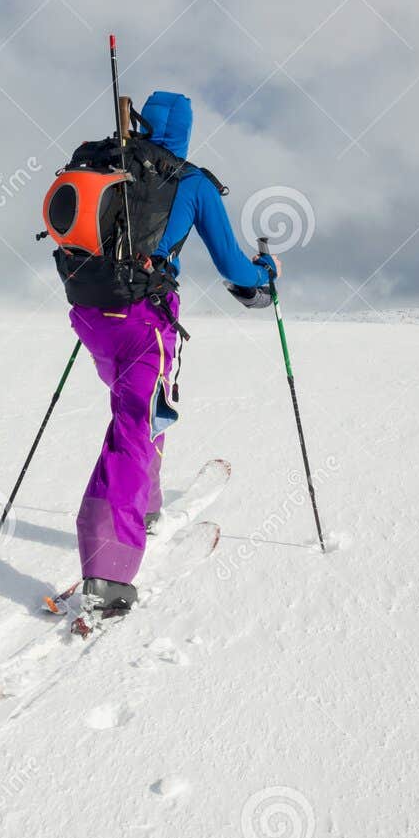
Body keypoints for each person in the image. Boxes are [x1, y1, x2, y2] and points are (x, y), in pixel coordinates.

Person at [72, 90, 281, 613]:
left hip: (90, 314)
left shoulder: (107, 164)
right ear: (185, 130)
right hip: (146, 319)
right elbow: (233, 267)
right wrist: (265, 277)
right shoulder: (191, 181)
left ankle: (144, 506)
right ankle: (109, 574)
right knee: (133, 428)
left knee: (144, 410)